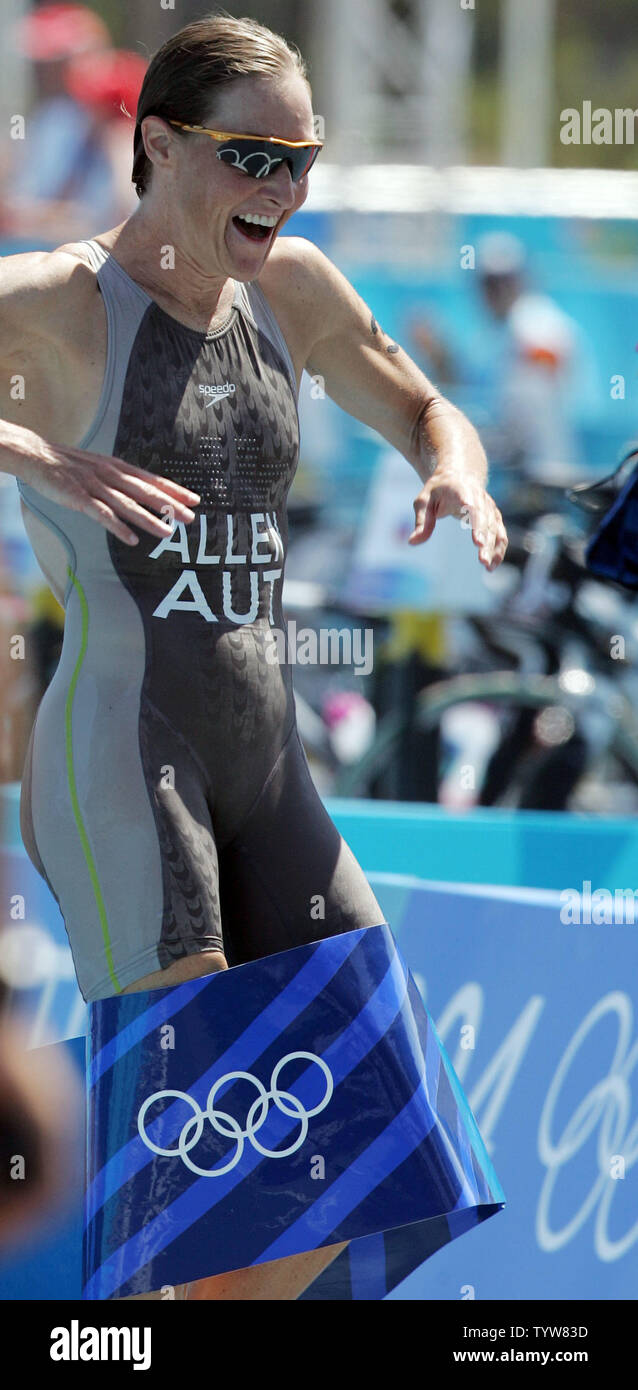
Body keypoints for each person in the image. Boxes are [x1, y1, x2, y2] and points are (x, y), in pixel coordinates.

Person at [0, 13, 507, 1300]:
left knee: (358, 1128)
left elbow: (424, 402)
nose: (282, 187)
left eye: (303, 159)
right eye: (251, 156)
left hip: (264, 757)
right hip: (122, 758)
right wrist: (38, 454)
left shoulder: (292, 289)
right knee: (211, 1130)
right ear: (159, 143)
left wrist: (451, 471)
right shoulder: (61, 304)